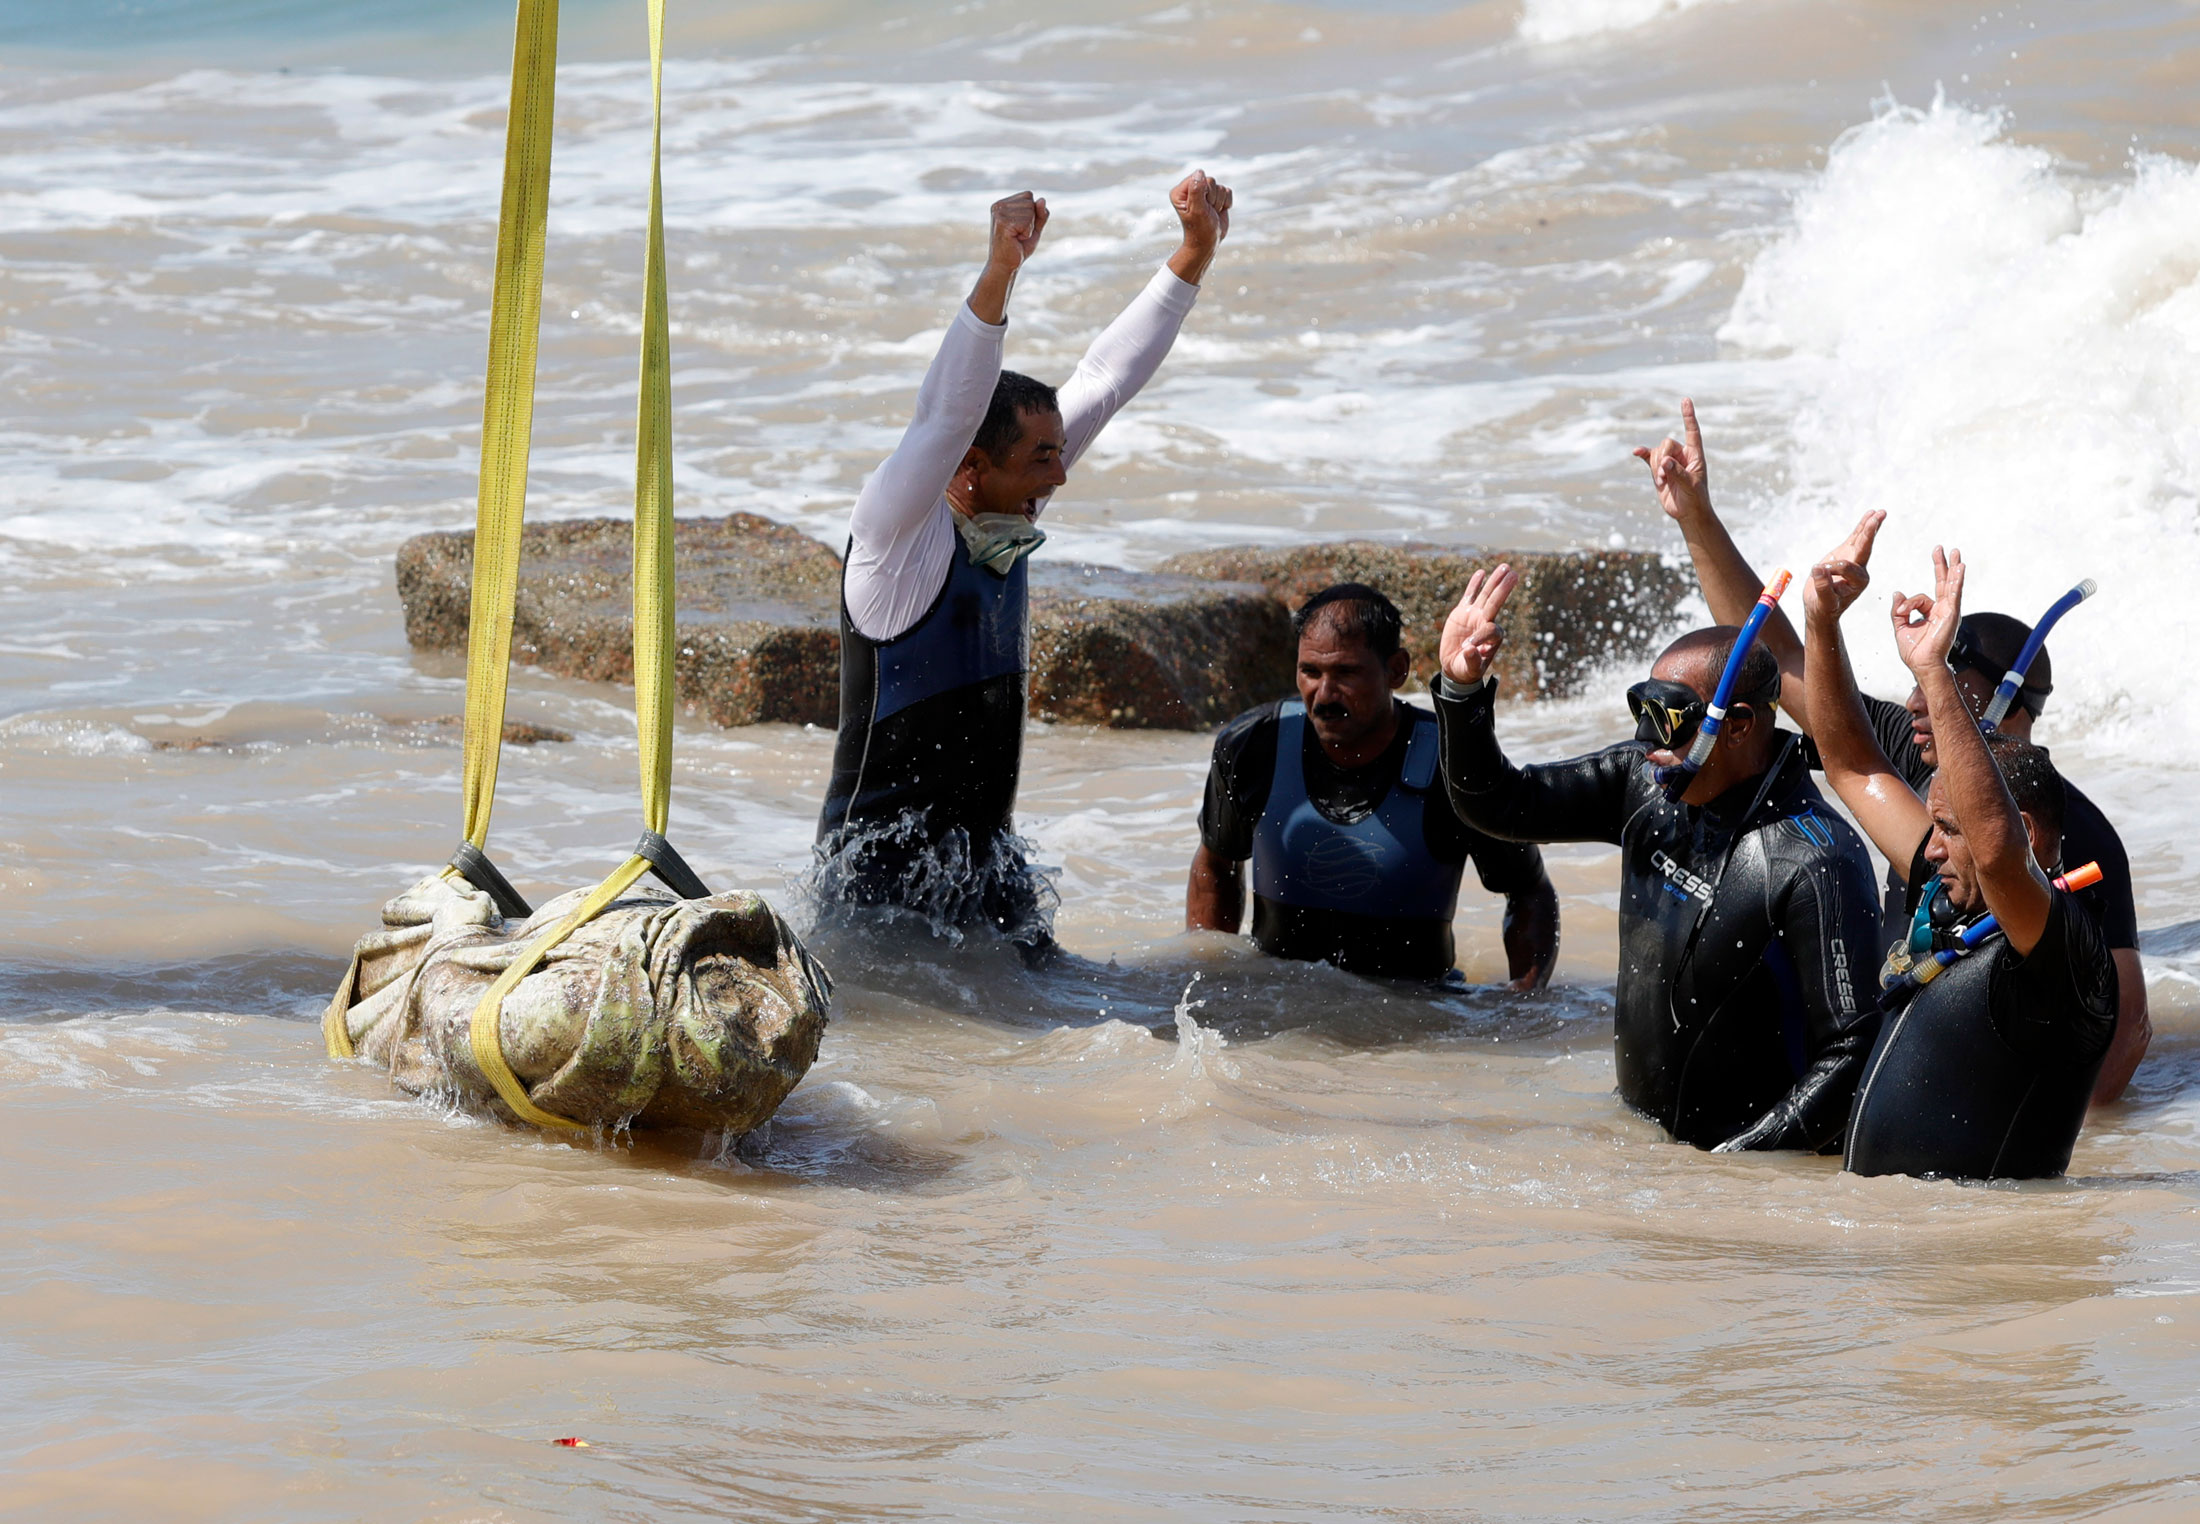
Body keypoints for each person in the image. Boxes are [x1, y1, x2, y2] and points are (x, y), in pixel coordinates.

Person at [1638, 400, 2149, 1106]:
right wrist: (1698, 520)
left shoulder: (2072, 832)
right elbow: (1782, 664)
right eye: (1918, 679)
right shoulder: (1919, 758)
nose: (1916, 701)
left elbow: (2127, 1024)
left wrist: (2059, 1129)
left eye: (1943, 684)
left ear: (2011, 705)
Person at [815, 174, 1233, 949]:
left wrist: (1193, 252)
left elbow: (1108, 378)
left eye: (1058, 453)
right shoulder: (897, 537)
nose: (1061, 475)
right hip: (877, 894)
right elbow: (944, 415)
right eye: (1043, 458)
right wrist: (1000, 270)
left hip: (988, 870)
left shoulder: (1009, 510)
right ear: (971, 467)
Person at [1430, 566, 1882, 1151]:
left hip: (1745, 1175)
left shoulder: (1815, 860)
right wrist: (1460, 691)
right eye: (1640, 710)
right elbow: (1497, 804)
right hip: (1646, 1156)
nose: (1647, 742)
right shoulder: (1641, 783)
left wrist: (1733, 1167)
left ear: (1738, 727)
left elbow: (1851, 1054)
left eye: (1667, 720)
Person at [1802, 541, 2118, 1178]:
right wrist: (1821, 622)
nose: (1930, 846)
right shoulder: (1952, 895)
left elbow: (1998, 854)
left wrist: (1935, 674)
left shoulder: (2060, 953)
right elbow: (1851, 766)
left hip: (1983, 1242)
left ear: (2026, 833)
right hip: (1906, 1235)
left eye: (1949, 828)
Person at [1185, 583, 1560, 986]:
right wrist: (1211, 979)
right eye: (1310, 672)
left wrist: (1521, 1003)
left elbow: (1528, 891)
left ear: (1396, 670)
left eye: (1346, 673)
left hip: (1419, 1005)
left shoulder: (1454, 762)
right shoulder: (1253, 745)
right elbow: (1216, 863)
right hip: (1279, 998)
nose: (1323, 695)